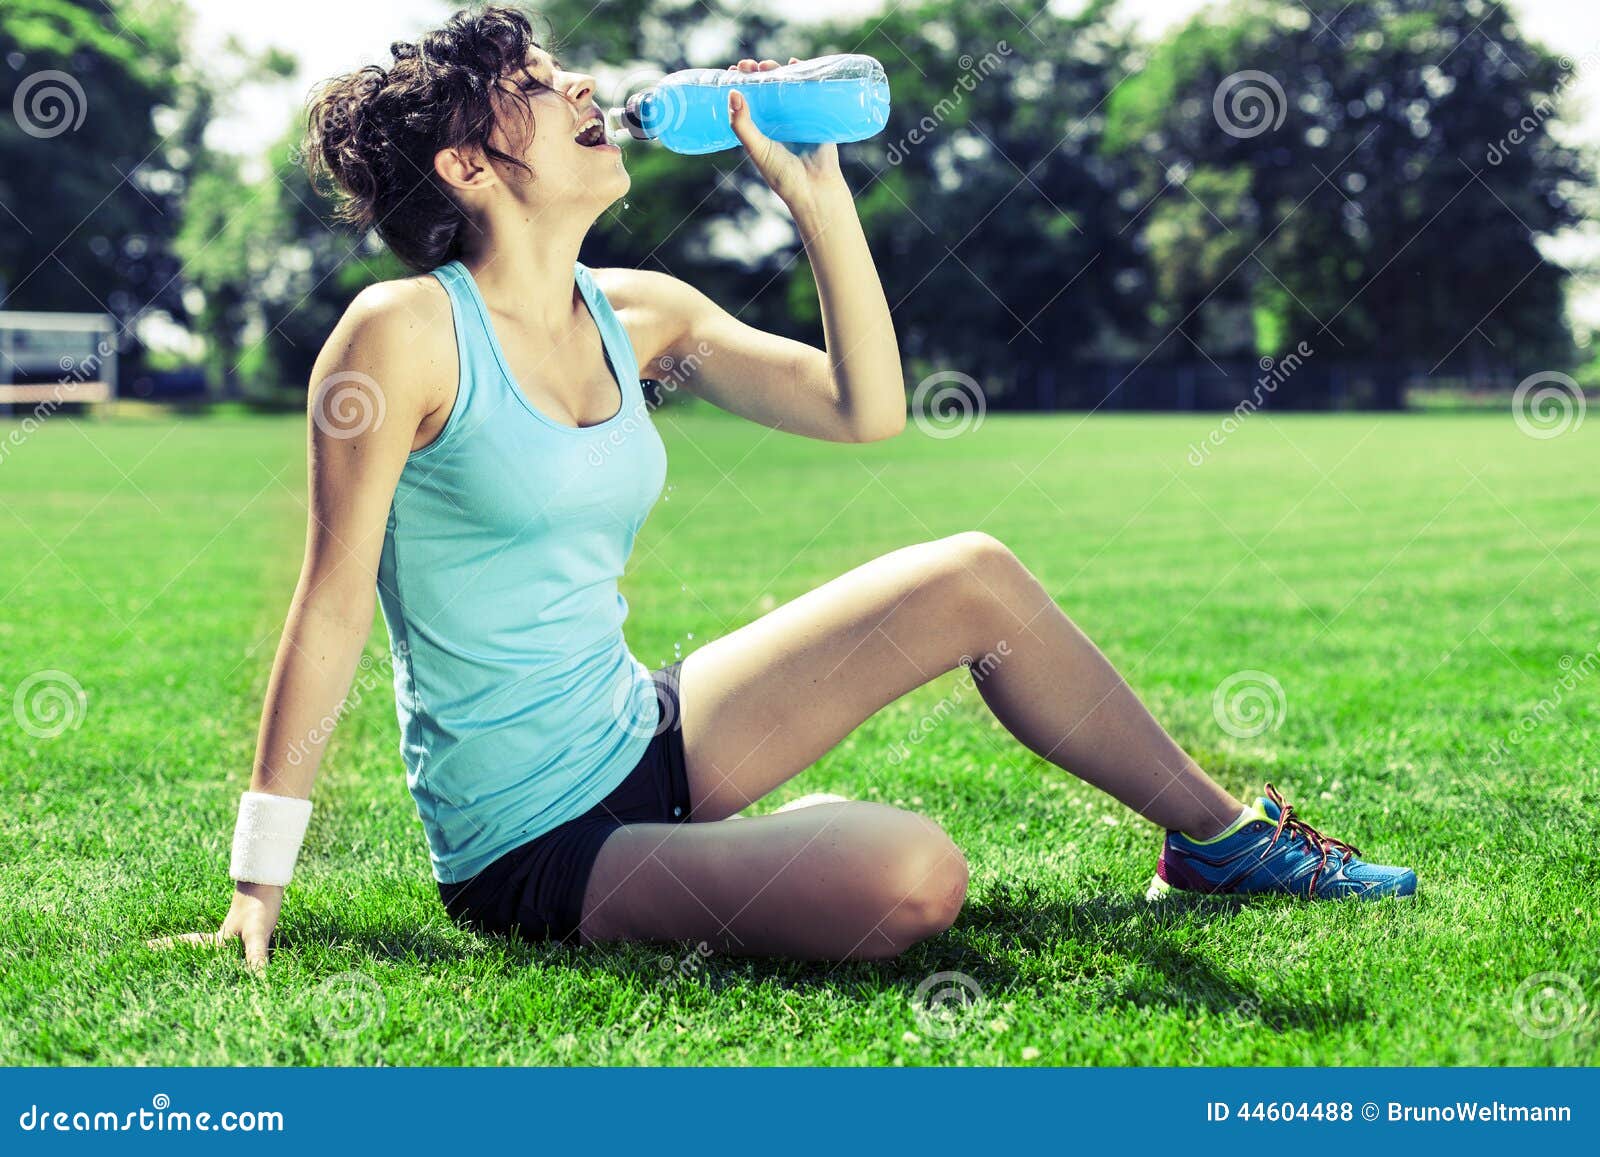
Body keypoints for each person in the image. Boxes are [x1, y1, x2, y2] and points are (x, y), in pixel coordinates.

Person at [161, 6, 1415, 969]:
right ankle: (736, 854)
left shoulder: (639, 310)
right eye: (533, 87)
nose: (582, 84)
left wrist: (816, 200)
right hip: (535, 842)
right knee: (915, 876)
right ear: (468, 166)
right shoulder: (398, 336)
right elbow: (328, 605)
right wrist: (254, 884)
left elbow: (863, 410)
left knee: (973, 572)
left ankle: (1221, 842)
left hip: (643, 731)